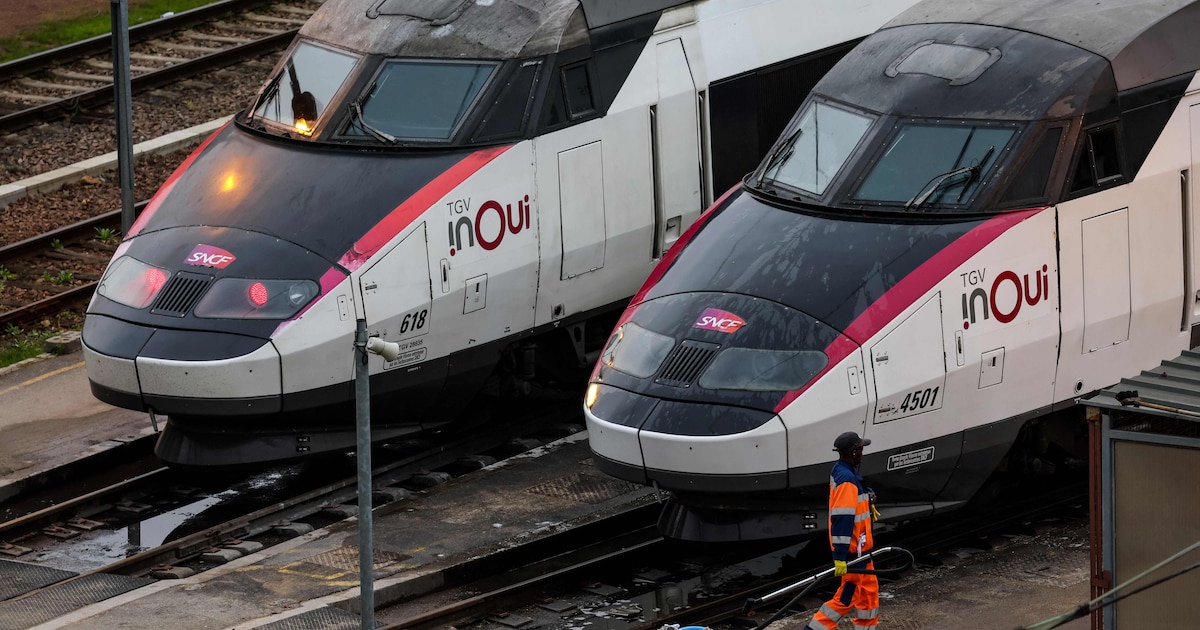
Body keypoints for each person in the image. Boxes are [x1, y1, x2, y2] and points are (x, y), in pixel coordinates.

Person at [807, 431, 879, 630]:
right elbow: (843, 517)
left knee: (868, 596)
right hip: (854, 553)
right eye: (861, 449)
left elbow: (855, 499)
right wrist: (840, 556)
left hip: (862, 550)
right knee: (846, 599)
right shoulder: (847, 479)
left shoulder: (844, 470)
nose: (863, 453)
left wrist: (868, 495)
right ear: (854, 452)